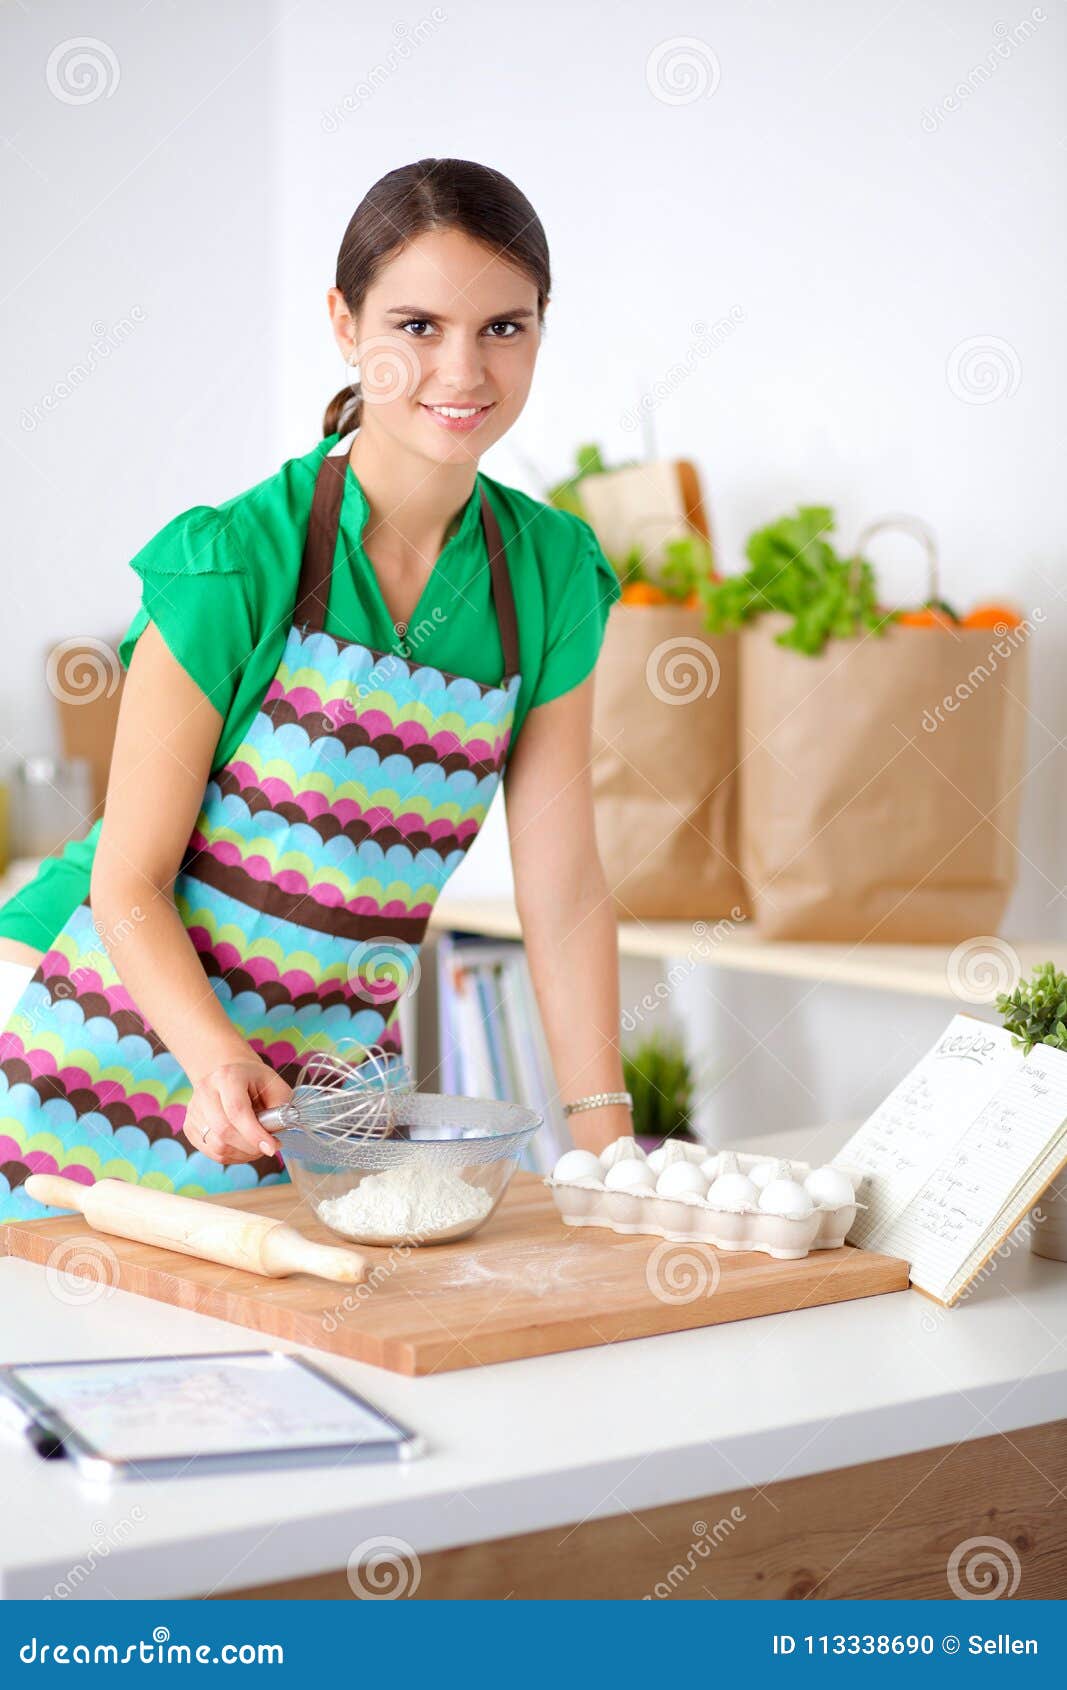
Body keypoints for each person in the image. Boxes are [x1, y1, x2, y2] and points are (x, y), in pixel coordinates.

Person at [0, 156, 634, 1223]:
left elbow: (564, 893)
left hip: (320, 1073)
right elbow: (129, 882)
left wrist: (608, 1148)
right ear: (346, 325)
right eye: (417, 327)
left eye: (503, 328)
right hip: (84, 1014)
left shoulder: (552, 574)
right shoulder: (235, 559)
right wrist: (212, 1058)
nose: (463, 370)